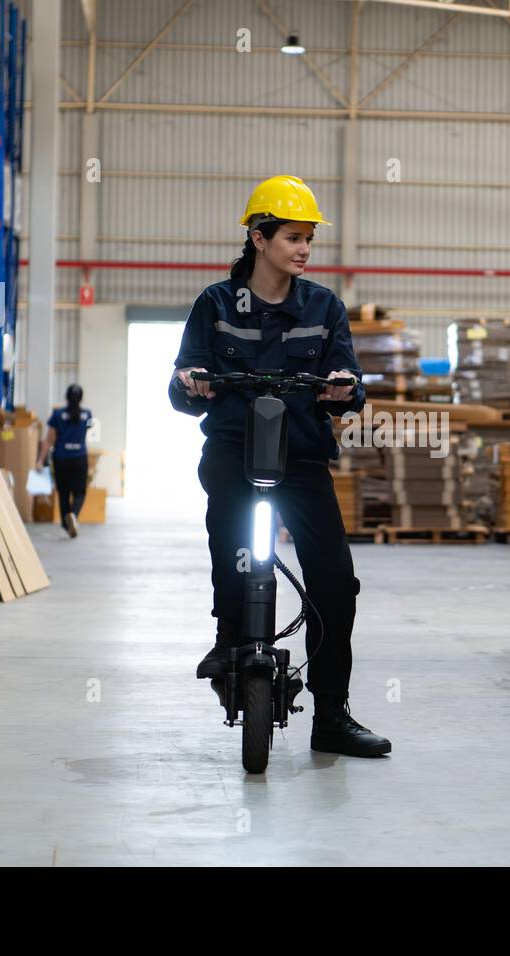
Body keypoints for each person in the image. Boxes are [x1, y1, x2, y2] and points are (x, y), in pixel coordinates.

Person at [168, 174, 390, 759]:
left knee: (336, 584)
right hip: (233, 454)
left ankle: (332, 715)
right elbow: (183, 383)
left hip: (303, 458)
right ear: (259, 237)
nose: (304, 249)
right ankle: (227, 637)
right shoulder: (215, 305)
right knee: (232, 540)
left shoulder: (324, 306)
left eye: (309, 239)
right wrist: (190, 385)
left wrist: (346, 389)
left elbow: (351, 382)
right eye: (293, 236)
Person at [36, 384, 92, 538]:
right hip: (79, 457)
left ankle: (66, 525)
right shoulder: (88, 415)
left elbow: (49, 440)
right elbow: (88, 432)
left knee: (63, 493)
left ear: (66, 397)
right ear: (81, 398)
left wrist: (41, 460)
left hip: (61, 458)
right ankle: (73, 514)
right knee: (80, 492)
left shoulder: (57, 414)